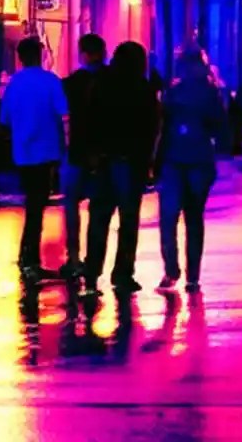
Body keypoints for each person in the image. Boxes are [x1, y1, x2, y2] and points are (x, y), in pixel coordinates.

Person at [86, 41, 159, 295]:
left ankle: (91, 272)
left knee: (99, 219)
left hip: (104, 159)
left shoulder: (102, 83)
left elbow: (90, 119)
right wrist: (149, 160)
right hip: (131, 161)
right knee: (128, 220)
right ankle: (123, 272)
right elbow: (151, 126)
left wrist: (93, 154)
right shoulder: (142, 88)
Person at [156, 46, 228, 294]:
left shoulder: (173, 93)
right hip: (198, 159)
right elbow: (220, 126)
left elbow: (162, 128)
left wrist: (156, 161)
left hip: (174, 159)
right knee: (194, 219)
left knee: (169, 217)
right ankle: (192, 276)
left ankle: (172, 269)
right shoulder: (210, 93)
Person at [0, 36, 69, 283]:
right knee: (36, 207)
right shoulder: (51, 81)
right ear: (40, 54)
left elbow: (5, 119)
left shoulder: (13, 84)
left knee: (33, 205)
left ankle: (27, 256)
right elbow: (64, 113)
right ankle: (29, 259)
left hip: (23, 153)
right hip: (47, 151)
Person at [60, 33, 108, 280]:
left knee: (71, 205)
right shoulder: (111, 81)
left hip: (78, 151)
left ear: (83, 54)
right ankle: (93, 261)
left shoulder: (71, 83)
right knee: (99, 209)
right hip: (102, 153)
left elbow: (63, 115)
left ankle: (75, 256)